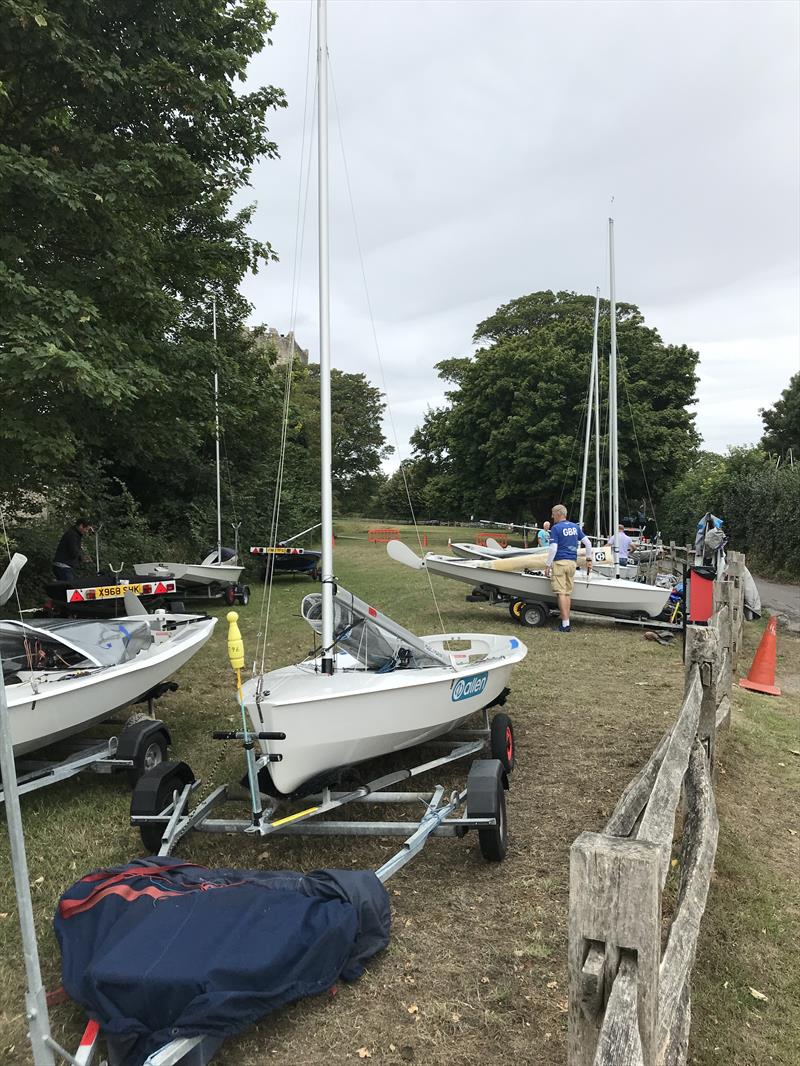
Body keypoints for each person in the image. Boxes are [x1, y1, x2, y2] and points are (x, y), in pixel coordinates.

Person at [544, 504, 593, 633]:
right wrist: (588, 559)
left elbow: (553, 548)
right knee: (567, 593)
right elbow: (588, 543)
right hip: (572, 563)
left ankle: (565, 625)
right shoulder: (575, 527)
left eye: (553, 513)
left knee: (560, 593)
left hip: (560, 562)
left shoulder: (556, 528)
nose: (552, 516)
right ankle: (566, 620)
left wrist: (548, 564)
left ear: (558, 514)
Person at [53, 518, 93, 583]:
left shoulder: (74, 534)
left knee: (63, 588)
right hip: (63, 566)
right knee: (69, 588)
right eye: (86, 529)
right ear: (81, 526)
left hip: (62, 565)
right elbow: (74, 551)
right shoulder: (72, 535)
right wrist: (82, 557)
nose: (86, 531)